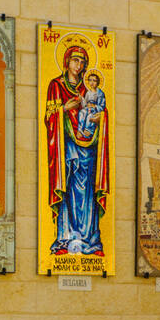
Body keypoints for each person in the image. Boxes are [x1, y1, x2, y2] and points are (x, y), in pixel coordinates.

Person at [44, 45, 109, 256]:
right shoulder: (56, 85)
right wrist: (65, 109)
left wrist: (103, 118)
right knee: (69, 187)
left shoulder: (89, 90)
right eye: (75, 60)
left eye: (82, 62)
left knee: (87, 191)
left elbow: (103, 112)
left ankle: (90, 239)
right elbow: (48, 116)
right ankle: (65, 238)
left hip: (88, 148)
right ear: (66, 61)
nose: (78, 65)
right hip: (68, 147)